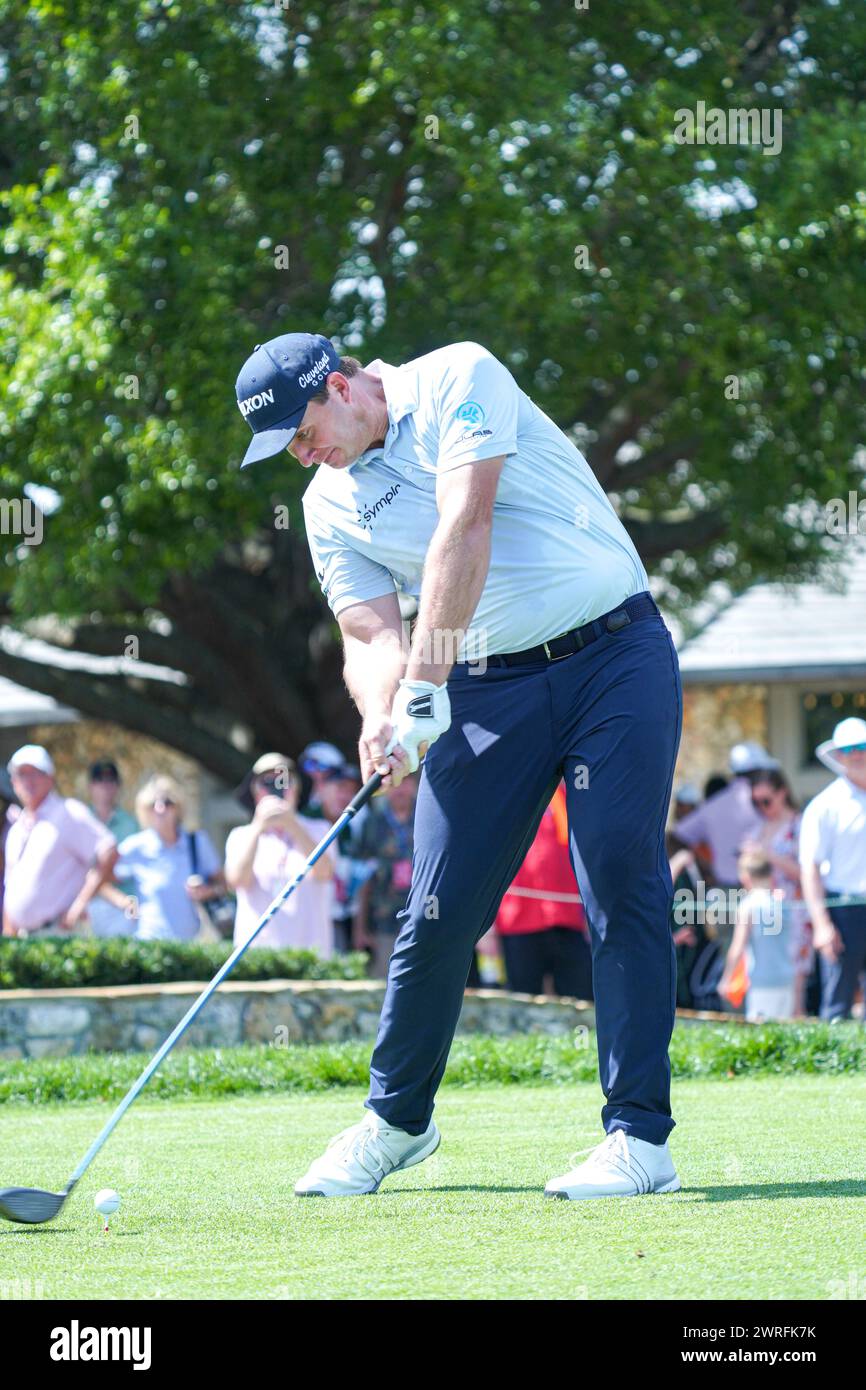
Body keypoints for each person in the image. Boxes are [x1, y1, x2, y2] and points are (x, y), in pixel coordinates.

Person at [236, 330, 683, 1201]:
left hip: (613, 657)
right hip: (484, 687)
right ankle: (397, 1121)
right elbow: (369, 631)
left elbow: (464, 523)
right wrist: (383, 715)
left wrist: (424, 685)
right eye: (288, 447)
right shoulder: (327, 505)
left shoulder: (458, 376)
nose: (303, 455)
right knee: (437, 907)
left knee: (617, 872)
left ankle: (638, 1138)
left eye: (304, 432)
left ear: (341, 387)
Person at [225, 753, 335, 954]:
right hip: (257, 955)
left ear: (297, 789)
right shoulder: (240, 835)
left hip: (311, 954)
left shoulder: (321, 829)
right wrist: (258, 827)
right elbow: (237, 881)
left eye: (284, 781)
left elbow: (325, 872)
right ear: (255, 792)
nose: (277, 789)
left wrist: (291, 824)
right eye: (267, 783)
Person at [2, 745, 116, 937]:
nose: (28, 781)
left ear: (50, 778)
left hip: (61, 934)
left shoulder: (68, 812)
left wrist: (80, 904)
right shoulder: (15, 829)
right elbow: (10, 887)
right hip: (24, 938)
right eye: (22, 774)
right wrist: (9, 935)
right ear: (14, 782)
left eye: (35, 773)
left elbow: (109, 851)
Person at [494, 782, 591, 998]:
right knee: (521, 1000)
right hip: (518, 920)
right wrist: (487, 928)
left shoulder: (568, 796)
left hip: (568, 919)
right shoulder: (506, 794)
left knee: (581, 999)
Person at [798, 717, 866, 1021]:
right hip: (843, 909)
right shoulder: (825, 805)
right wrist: (822, 924)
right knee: (838, 1000)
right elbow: (809, 867)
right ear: (839, 755)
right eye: (849, 749)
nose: (857, 754)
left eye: (862, 746)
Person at [107, 776, 225, 941]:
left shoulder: (197, 842)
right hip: (149, 942)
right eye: (152, 804)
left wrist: (207, 891)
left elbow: (223, 884)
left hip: (193, 943)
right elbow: (99, 879)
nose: (160, 809)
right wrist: (123, 902)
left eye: (167, 802)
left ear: (178, 808)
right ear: (144, 811)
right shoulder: (136, 846)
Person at [742, 768, 811, 1016]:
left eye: (766, 800)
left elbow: (807, 873)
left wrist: (768, 855)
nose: (761, 807)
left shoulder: (800, 826)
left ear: (782, 793)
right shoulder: (758, 827)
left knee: (794, 990)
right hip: (762, 915)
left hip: (793, 915)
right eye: (755, 802)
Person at [672, 742, 777, 890]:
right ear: (760, 771)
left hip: (724, 891)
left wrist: (704, 866)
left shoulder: (713, 805)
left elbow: (677, 836)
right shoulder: (769, 802)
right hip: (762, 889)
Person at [352, 774, 418, 978]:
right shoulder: (372, 824)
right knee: (384, 983)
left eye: (406, 781)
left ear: (415, 785)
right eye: (395, 782)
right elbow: (362, 879)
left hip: (424, 919)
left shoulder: (429, 819)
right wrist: (360, 928)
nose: (400, 789)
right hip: (383, 923)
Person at [720, 849, 795, 1021]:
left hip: (762, 982)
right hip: (786, 979)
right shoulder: (782, 903)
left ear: (746, 877)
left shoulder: (748, 905)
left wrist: (726, 979)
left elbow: (737, 947)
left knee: (761, 1033)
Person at [316, 762, 374, 954]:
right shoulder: (306, 821)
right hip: (311, 918)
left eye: (352, 790)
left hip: (341, 917)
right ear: (322, 788)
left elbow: (360, 876)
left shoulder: (348, 828)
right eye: (340, 787)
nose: (346, 796)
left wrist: (359, 929)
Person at [87, 760, 139, 938]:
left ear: (117, 786)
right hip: (85, 905)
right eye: (99, 780)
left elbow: (129, 870)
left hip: (123, 907)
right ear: (90, 786)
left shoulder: (131, 824)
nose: (105, 785)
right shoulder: (81, 821)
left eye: (110, 780)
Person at [298, 741, 345, 817]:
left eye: (322, 766)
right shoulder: (300, 789)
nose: (316, 772)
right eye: (310, 764)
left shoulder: (342, 798)